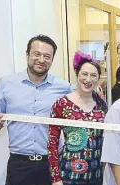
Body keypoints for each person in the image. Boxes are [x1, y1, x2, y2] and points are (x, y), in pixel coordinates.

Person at [0, 34, 71, 185]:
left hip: (52, 164)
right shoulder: (6, 83)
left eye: (47, 56)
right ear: (27, 55)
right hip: (19, 164)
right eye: (37, 54)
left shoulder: (64, 87)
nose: (41, 60)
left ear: (52, 60)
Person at [48, 51, 108, 185]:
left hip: (97, 175)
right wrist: (56, 178)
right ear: (77, 74)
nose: (88, 79)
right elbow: (52, 143)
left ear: (98, 78)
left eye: (93, 75)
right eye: (84, 74)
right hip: (68, 175)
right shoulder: (62, 104)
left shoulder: (101, 105)